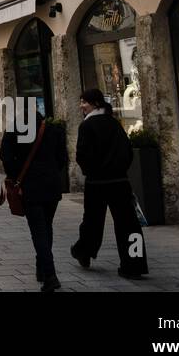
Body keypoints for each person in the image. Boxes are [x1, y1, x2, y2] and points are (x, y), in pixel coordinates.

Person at [70, 88, 149, 279]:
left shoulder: (87, 126)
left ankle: (84, 251)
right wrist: (120, 169)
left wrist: (90, 171)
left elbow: (82, 154)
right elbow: (127, 150)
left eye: (84, 102)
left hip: (97, 182)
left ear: (96, 103)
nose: (82, 106)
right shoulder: (114, 123)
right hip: (119, 180)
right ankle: (134, 264)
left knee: (92, 221)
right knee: (129, 223)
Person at [0, 112, 68, 291]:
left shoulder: (15, 130)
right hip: (52, 186)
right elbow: (62, 159)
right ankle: (42, 269)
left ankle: (50, 275)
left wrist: (15, 178)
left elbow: (5, 157)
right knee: (46, 226)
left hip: (29, 187)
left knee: (39, 232)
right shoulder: (54, 130)